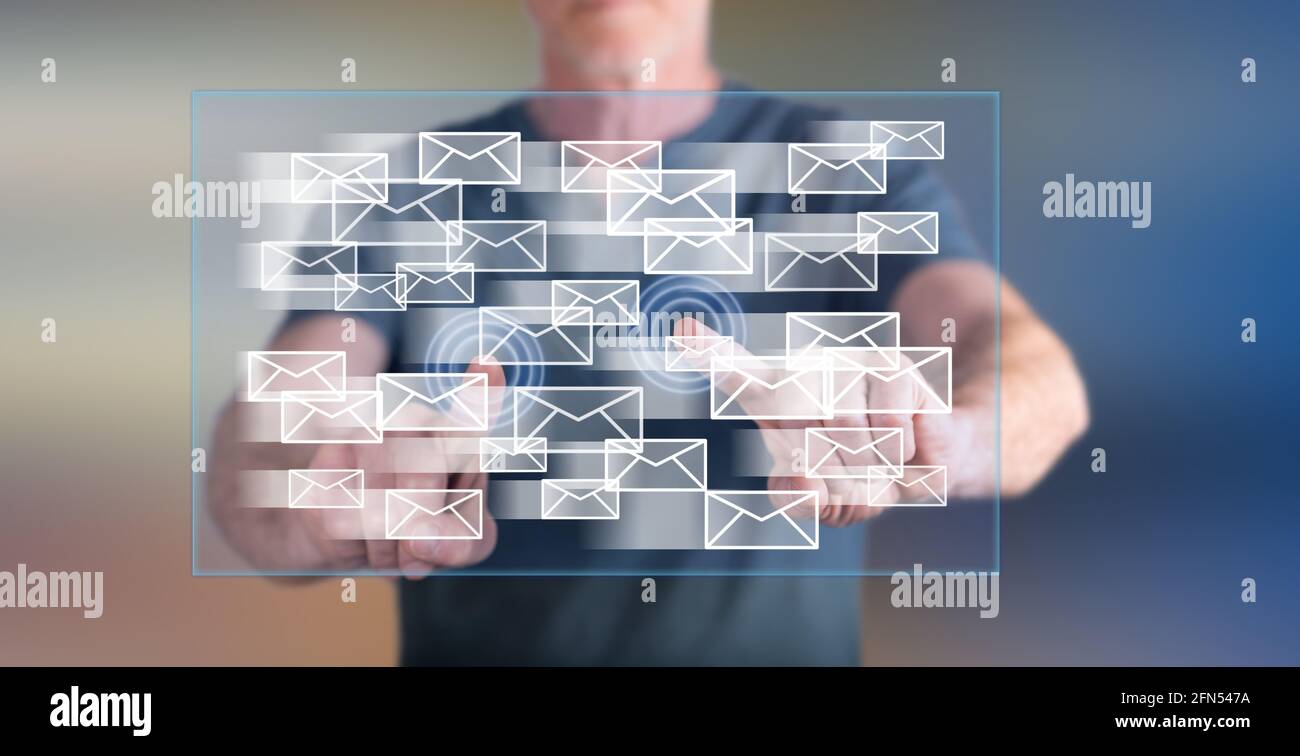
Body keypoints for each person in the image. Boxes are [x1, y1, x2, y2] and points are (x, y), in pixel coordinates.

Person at [210, 0, 1088, 665]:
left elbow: (1017, 356)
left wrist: (941, 438)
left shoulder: (850, 175)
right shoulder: (406, 192)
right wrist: (318, 494)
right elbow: (266, 437)